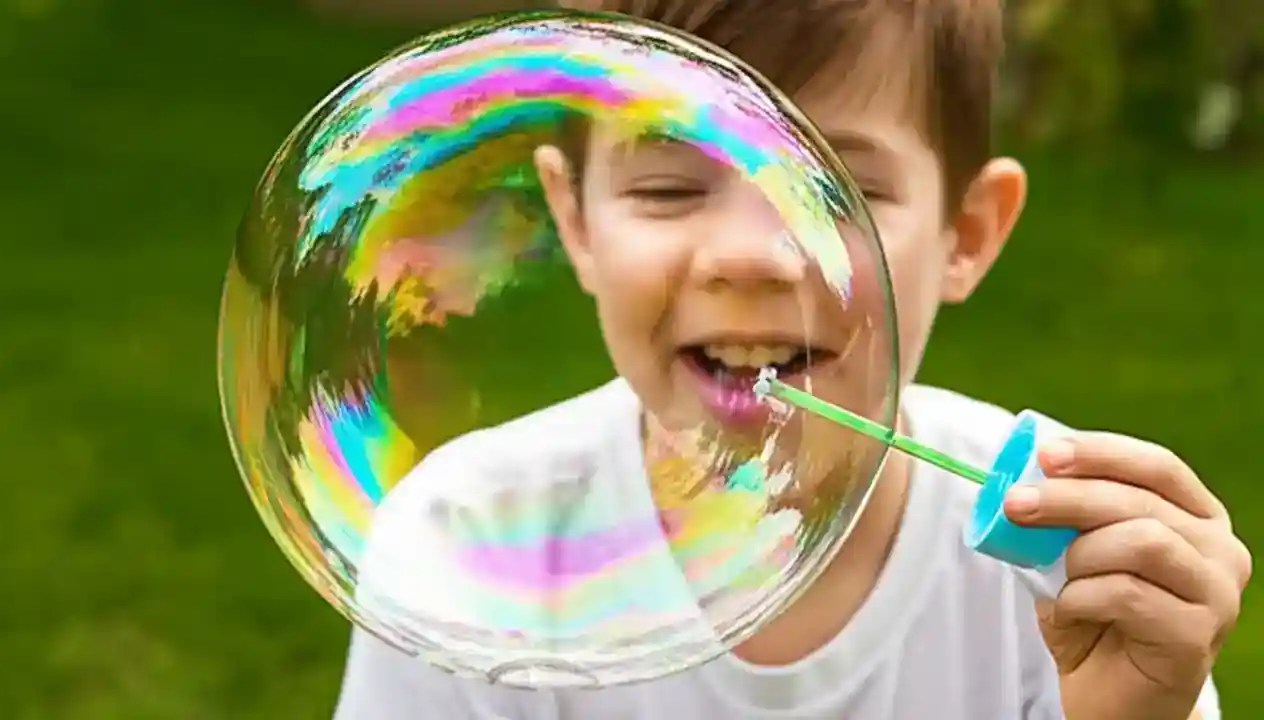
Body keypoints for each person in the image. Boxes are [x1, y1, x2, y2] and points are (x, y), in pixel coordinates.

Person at [333, 1, 1252, 718]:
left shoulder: (1051, 578)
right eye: (667, 185)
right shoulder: (466, 548)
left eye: (831, 192)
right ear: (575, 221)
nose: (754, 256)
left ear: (964, 233)